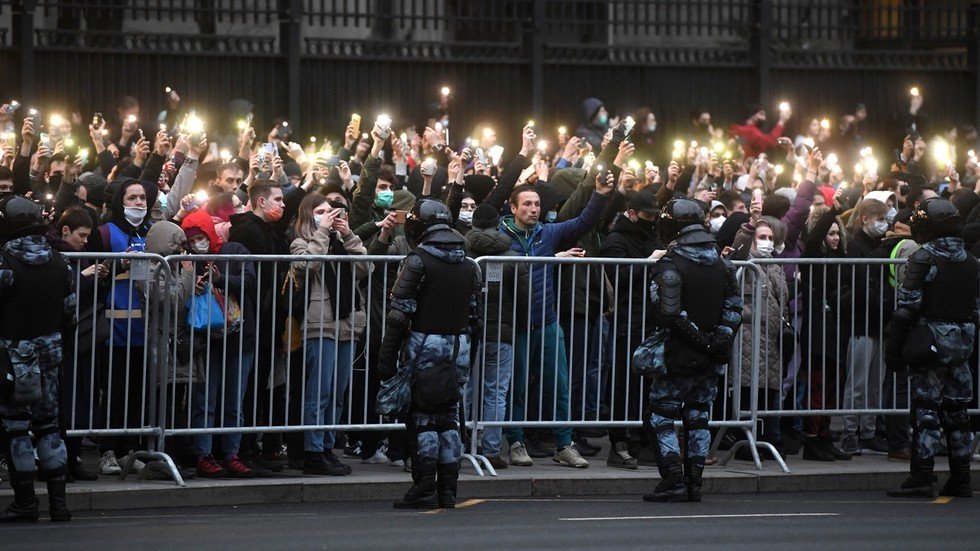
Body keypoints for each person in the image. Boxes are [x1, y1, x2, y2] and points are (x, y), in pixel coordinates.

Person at [377, 199, 482, 509]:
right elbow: (475, 318)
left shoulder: (417, 261)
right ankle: (448, 489)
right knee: (449, 416)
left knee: (423, 418)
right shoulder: (469, 265)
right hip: (458, 349)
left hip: (425, 349)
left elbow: (399, 317)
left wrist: (386, 360)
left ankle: (424, 486)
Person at [643, 198, 742, 502]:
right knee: (698, 416)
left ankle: (674, 478)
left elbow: (670, 313)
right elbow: (734, 309)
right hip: (711, 358)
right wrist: (719, 343)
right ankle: (694, 483)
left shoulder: (671, 265)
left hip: (679, 354)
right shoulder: (723, 265)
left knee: (661, 415)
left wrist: (707, 342)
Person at [887, 198, 978, 498]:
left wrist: (894, 350)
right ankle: (961, 477)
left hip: (931, 343)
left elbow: (906, 309)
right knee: (958, 411)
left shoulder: (924, 258)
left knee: (926, 410)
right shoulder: (970, 260)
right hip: (962, 345)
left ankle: (923, 474)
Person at [0, 195, 75, 522]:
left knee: (17, 428)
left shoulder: (4, 264)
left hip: (14, 359)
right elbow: (69, 314)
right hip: (50, 354)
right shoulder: (61, 262)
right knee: (48, 426)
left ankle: (26, 502)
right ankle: (59, 505)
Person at [290, 195, 372, 476]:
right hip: (320, 323)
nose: (328, 215)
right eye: (321, 211)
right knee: (319, 392)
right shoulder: (302, 241)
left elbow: (366, 269)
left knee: (337, 394)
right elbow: (307, 265)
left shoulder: (341, 241)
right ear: (308, 214)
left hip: (348, 324)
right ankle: (312, 451)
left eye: (331, 211)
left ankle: (326, 448)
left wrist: (348, 234)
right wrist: (323, 230)